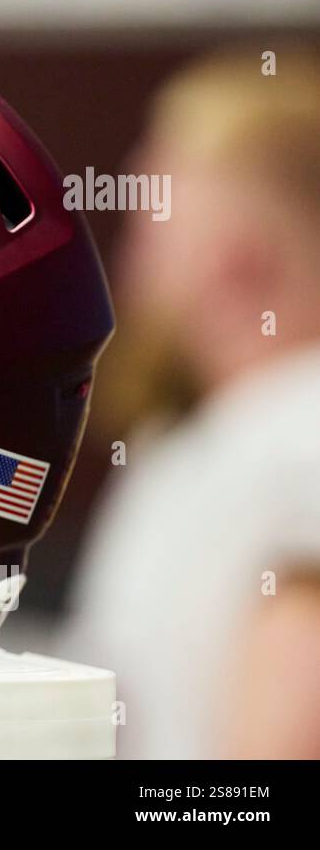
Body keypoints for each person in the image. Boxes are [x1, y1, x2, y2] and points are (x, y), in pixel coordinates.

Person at [64, 49, 320, 759]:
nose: (126, 259)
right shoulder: (216, 440)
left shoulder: (298, 440)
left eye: (152, 215)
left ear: (237, 257)